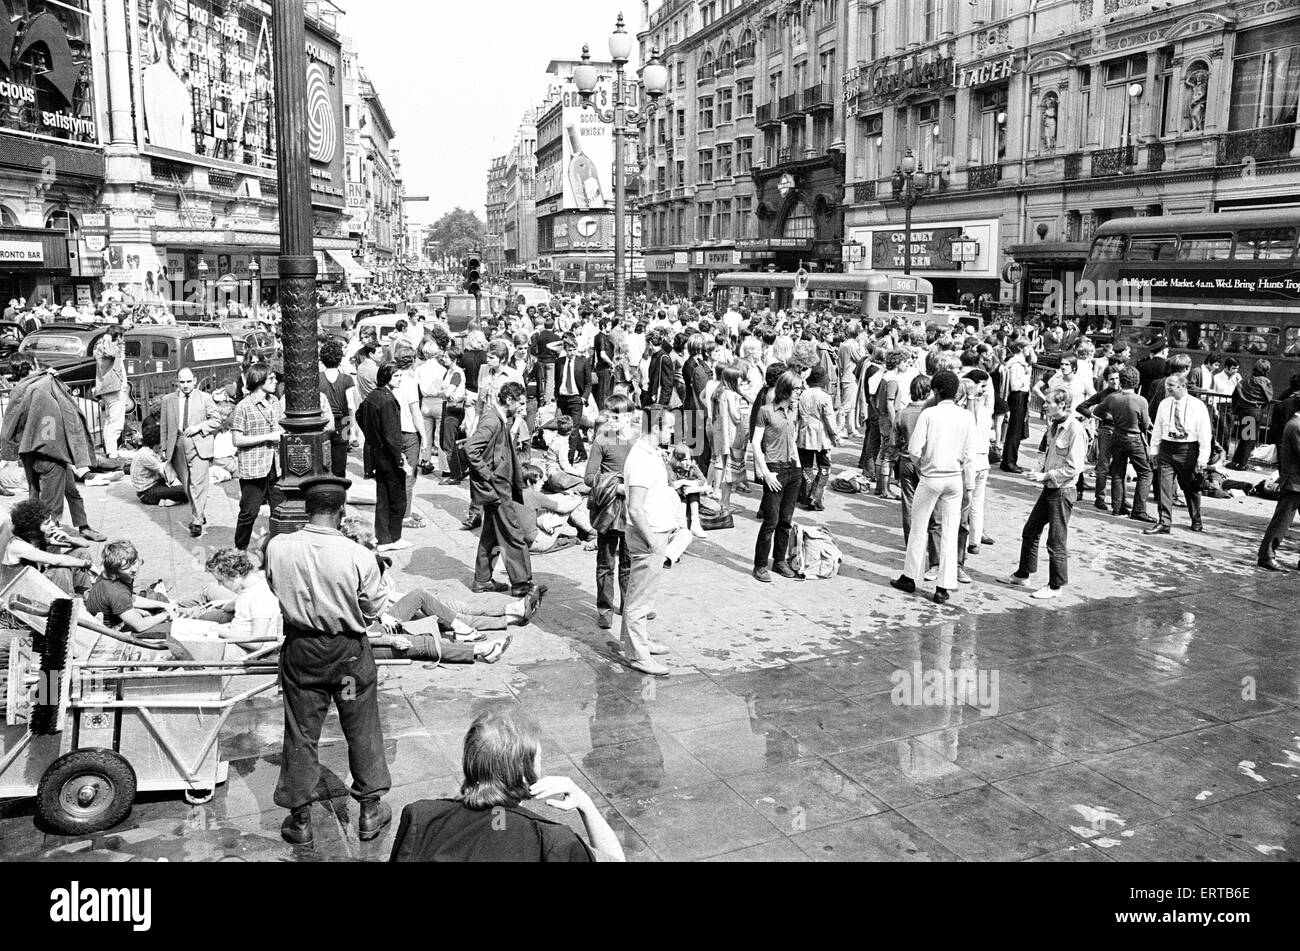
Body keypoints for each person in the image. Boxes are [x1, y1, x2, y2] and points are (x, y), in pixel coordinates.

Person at [264, 475, 392, 847]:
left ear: (307, 508)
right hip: (348, 656)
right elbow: (373, 607)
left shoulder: (278, 547)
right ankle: (369, 810)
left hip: (303, 653)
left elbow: (274, 586)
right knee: (361, 726)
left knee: (302, 731)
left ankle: (300, 818)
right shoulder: (358, 555)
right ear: (341, 511)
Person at [390, 707, 623, 862]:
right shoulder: (551, 842)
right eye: (539, 758)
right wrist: (584, 802)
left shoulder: (421, 817)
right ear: (523, 773)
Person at [890, 371, 975, 606]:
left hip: (931, 476)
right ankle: (943, 586)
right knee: (949, 530)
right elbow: (970, 455)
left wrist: (922, 466)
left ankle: (910, 577)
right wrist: (970, 484)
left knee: (919, 526)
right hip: (955, 478)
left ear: (936, 391)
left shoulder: (929, 414)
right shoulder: (967, 417)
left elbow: (914, 450)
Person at [0, 361, 106, 542]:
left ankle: (83, 526)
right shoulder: (42, 385)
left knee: (68, 491)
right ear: (33, 366)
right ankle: (47, 540)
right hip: (49, 453)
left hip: (33, 452)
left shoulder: (20, 389)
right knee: (51, 504)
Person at [1003, 386, 1088, 601]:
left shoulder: (1074, 430)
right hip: (1050, 488)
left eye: (1048, 402)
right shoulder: (1054, 425)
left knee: (1056, 540)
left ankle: (1055, 585)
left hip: (1062, 490)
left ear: (1062, 404)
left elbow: (1074, 467)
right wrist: (1040, 471)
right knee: (1030, 530)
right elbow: (1049, 453)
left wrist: (1046, 475)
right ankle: (1023, 573)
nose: (1043, 405)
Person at [620, 407, 676, 675]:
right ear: (656, 427)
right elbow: (635, 508)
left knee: (640, 594)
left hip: (655, 532)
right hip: (647, 536)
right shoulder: (641, 459)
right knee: (640, 601)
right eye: (669, 427)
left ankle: (636, 643)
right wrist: (653, 540)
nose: (672, 431)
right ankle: (638, 655)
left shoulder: (650, 452)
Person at [466, 381, 535, 597]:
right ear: (509, 400)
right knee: (513, 533)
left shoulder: (498, 418)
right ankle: (522, 583)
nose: (523, 408)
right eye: (520, 403)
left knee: (491, 535)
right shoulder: (492, 421)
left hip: (499, 484)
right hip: (498, 486)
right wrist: (489, 476)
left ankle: (482, 580)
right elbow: (471, 449)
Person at [586, 394, 635, 631]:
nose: (613, 420)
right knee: (606, 561)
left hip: (633, 509)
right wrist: (617, 486)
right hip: (609, 509)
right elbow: (588, 477)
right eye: (610, 415)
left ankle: (628, 606)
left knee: (630, 561)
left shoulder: (638, 440)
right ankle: (605, 609)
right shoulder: (602, 440)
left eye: (618, 416)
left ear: (630, 416)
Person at [751, 370, 805, 584]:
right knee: (770, 521)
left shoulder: (793, 410)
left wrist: (799, 466)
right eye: (796, 389)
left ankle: (779, 560)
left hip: (792, 469)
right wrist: (765, 472)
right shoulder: (766, 411)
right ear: (785, 389)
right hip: (774, 468)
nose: (800, 392)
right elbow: (756, 443)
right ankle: (760, 565)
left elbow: (792, 439)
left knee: (786, 521)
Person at [1145, 372, 1212, 535]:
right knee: (1164, 487)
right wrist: (1154, 450)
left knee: (1191, 487)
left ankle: (1196, 519)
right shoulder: (1164, 404)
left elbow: (1205, 433)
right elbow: (1158, 428)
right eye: (1167, 385)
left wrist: (1203, 458)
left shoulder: (1198, 405)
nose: (1167, 389)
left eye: (1171, 386)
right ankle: (1164, 522)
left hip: (1188, 449)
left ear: (1182, 386)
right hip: (1167, 449)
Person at [159, 368, 223, 537]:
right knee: (187, 483)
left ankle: (196, 521)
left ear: (195, 380)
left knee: (198, 483)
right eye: (182, 382)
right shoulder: (168, 400)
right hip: (178, 444)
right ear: (177, 382)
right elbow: (164, 426)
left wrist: (199, 427)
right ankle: (199, 512)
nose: (185, 385)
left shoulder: (205, 398)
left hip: (199, 444)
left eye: (188, 381)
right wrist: (164, 449)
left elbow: (216, 420)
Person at [355, 363, 410, 552]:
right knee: (397, 498)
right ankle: (394, 537)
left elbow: (359, 414)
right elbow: (392, 435)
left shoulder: (372, 396)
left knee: (383, 497)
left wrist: (370, 435)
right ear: (386, 378)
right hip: (389, 456)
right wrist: (401, 460)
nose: (400, 379)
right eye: (396, 376)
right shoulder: (387, 400)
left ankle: (385, 538)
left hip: (377, 453)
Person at [230, 364, 283, 552]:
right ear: (259, 381)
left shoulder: (275, 401)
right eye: (271, 379)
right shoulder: (243, 407)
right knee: (249, 513)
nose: (275, 381)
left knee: (279, 512)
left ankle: (276, 550)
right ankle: (240, 549)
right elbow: (236, 439)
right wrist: (268, 437)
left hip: (275, 466)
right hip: (254, 468)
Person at [1096, 367, 1155, 522]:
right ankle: (1139, 510)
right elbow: (1145, 424)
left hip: (1117, 435)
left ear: (1121, 381)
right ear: (1137, 382)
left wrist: (1111, 419)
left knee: (1117, 472)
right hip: (1134, 437)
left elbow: (1097, 411)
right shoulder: (1141, 400)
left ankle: (1117, 507)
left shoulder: (1113, 398)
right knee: (1146, 473)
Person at [1, 499, 96, 595]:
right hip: (23, 591)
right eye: (47, 523)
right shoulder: (18, 545)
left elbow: (86, 545)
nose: (52, 525)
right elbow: (56, 560)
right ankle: (68, 606)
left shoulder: (38, 538)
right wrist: (88, 565)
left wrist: (69, 539)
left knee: (81, 552)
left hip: (36, 582)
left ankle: (83, 595)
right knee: (61, 570)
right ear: (32, 527)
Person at [85, 540, 176, 636]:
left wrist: (164, 605)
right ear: (114, 571)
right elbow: (140, 626)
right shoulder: (117, 592)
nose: (134, 569)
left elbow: (131, 599)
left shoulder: (112, 574)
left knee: (159, 599)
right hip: (113, 630)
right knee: (173, 628)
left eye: (134, 562)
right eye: (126, 567)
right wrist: (166, 615)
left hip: (117, 613)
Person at [203, 548, 281, 642]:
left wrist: (218, 630)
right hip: (236, 637)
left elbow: (257, 642)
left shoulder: (260, 597)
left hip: (243, 650)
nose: (220, 585)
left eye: (221, 581)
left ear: (236, 575)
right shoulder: (250, 589)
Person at [1257, 401, 1300, 571]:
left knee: (1282, 520)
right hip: (1294, 483)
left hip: (1296, 482)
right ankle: (1266, 556)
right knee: (1281, 521)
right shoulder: (1296, 426)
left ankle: (1267, 555)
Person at [797, 364, 839, 511]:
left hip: (804, 432)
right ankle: (815, 496)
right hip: (821, 434)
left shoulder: (803, 394)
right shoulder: (824, 396)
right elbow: (828, 418)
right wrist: (834, 434)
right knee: (825, 466)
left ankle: (805, 494)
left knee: (806, 465)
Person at [131, 416, 187, 507]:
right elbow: (166, 472)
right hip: (147, 493)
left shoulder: (149, 451)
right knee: (186, 491)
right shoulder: (147, 455)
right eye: (160, 446)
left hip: (154, 484)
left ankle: (170, 499)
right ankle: (170, 501)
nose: (161, 449)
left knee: (185, 489)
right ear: (155, 443)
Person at [319, 339, 355, 480]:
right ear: (340, 359)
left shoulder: (318, 379)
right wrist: (351, 432)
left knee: (323, 461)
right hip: (343, 423)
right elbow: (350, 406)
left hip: (323, 423)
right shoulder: (347, 380)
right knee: (340, 463)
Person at [1228, 359, 1274, 470]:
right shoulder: (1264, 381)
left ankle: (1235, 462)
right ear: (1265, 370)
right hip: (1255, 412)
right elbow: (1269, 397)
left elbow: (1235, 395)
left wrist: (1236, 410)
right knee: (1249, 440)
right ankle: (1242, 464)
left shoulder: (1245, 381)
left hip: (1244, 412)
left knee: (1245, 438)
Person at [93, 322, 130, 457]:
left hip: (112, 389)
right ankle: (112, 453)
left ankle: (110, 451)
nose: (123, 340)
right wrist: (108, 338)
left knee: (110, 422)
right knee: (116, 424)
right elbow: (111, 352)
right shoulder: (106, 348)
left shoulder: (104, 348)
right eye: (121, 336)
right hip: (114, 390)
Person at [1000, 338, 1035, 473]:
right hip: (1018, 397)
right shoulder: (1016, 365)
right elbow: (1015, 385)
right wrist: (1025, 378)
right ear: (1020, 348)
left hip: (1021, 397)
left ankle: (1010, 460)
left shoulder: (1021, 363)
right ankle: (1009, 461)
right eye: (1028, 347)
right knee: (1014, 431)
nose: (1030, 350)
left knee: (1017, 431)